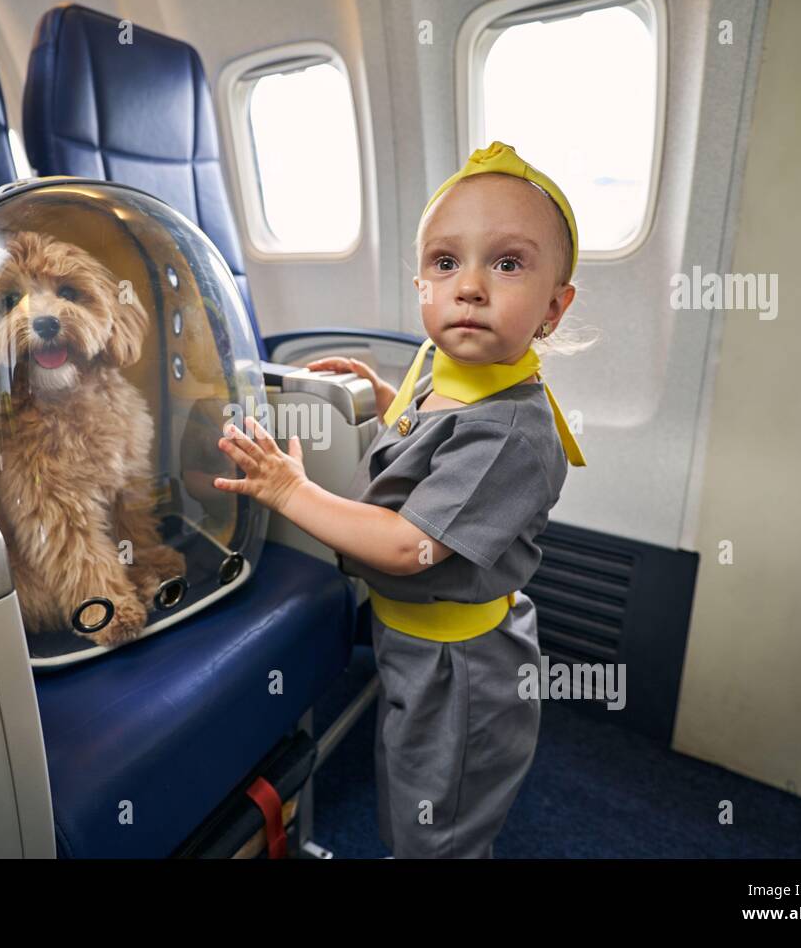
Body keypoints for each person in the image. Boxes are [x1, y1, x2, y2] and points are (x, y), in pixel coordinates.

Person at [213, 141, 588, 857]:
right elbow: (424, 438)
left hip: (461, 670)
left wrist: (292, 489)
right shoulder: (449, 369)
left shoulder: (511, 431)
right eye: (446, 264)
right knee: (410, 784)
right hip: (416, 640)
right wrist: (387, 398)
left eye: (507, 264)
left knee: (434, 821)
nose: (470, 287)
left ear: (554, 308)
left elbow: (406, 546)